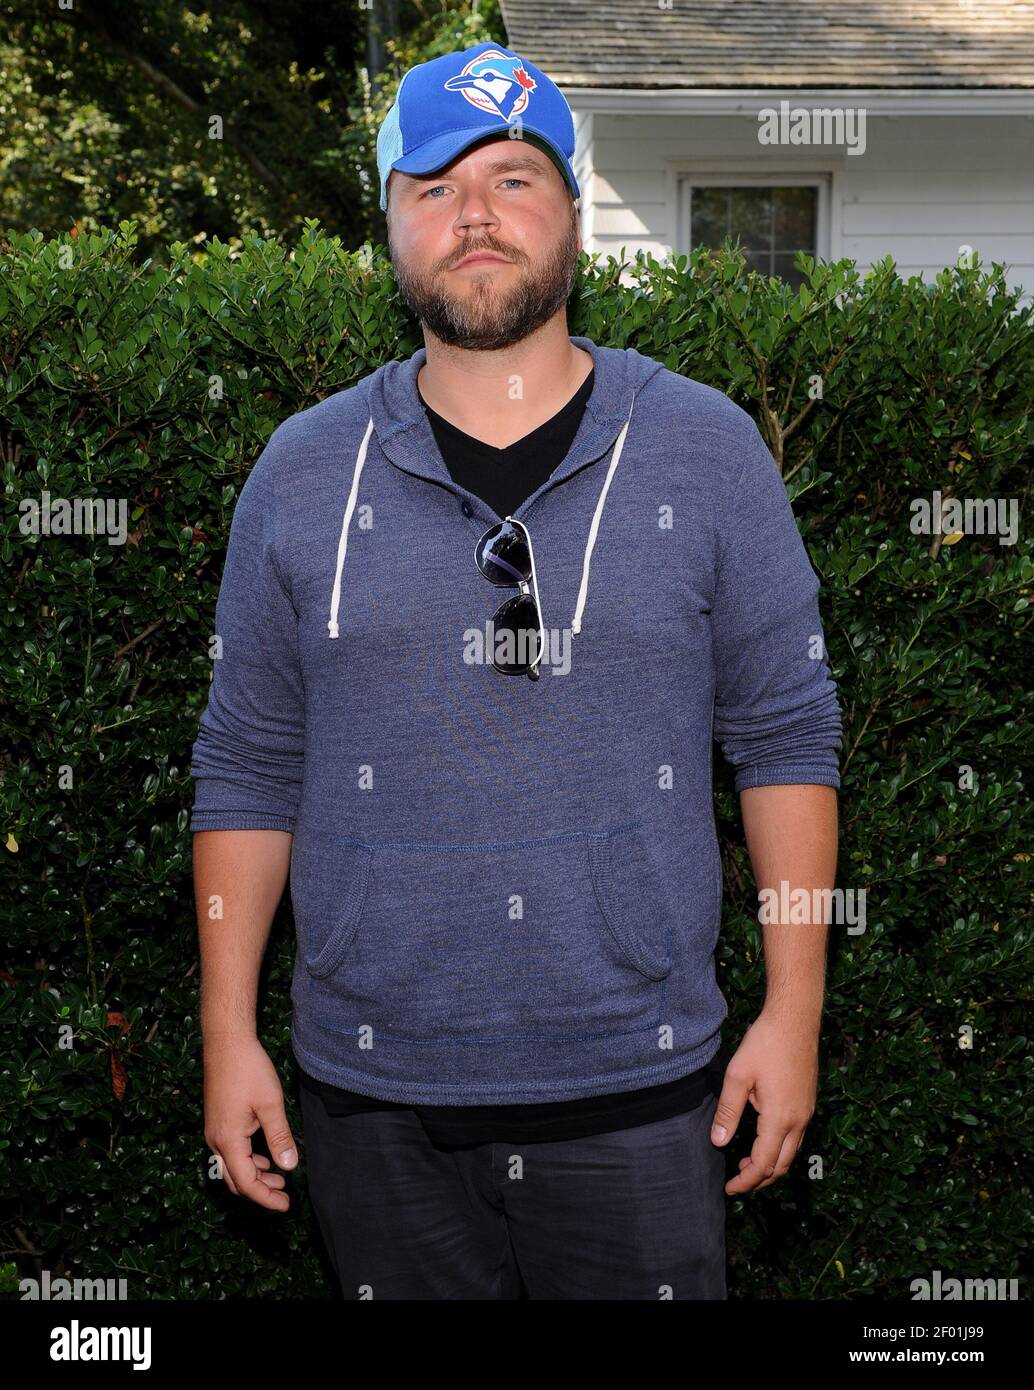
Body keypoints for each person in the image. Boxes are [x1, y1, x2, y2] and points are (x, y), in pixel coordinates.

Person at [191, 41, 842, 1300]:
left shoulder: (706, 451)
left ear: (574, 218)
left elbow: (784, 740)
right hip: (369, 1096)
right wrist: (226, 1035)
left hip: (646, 1096)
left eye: (511, 176)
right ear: (386, 223)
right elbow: (247, 766)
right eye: (429, 184)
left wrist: (794, 1012)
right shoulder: (301, 470)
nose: (472, 211)